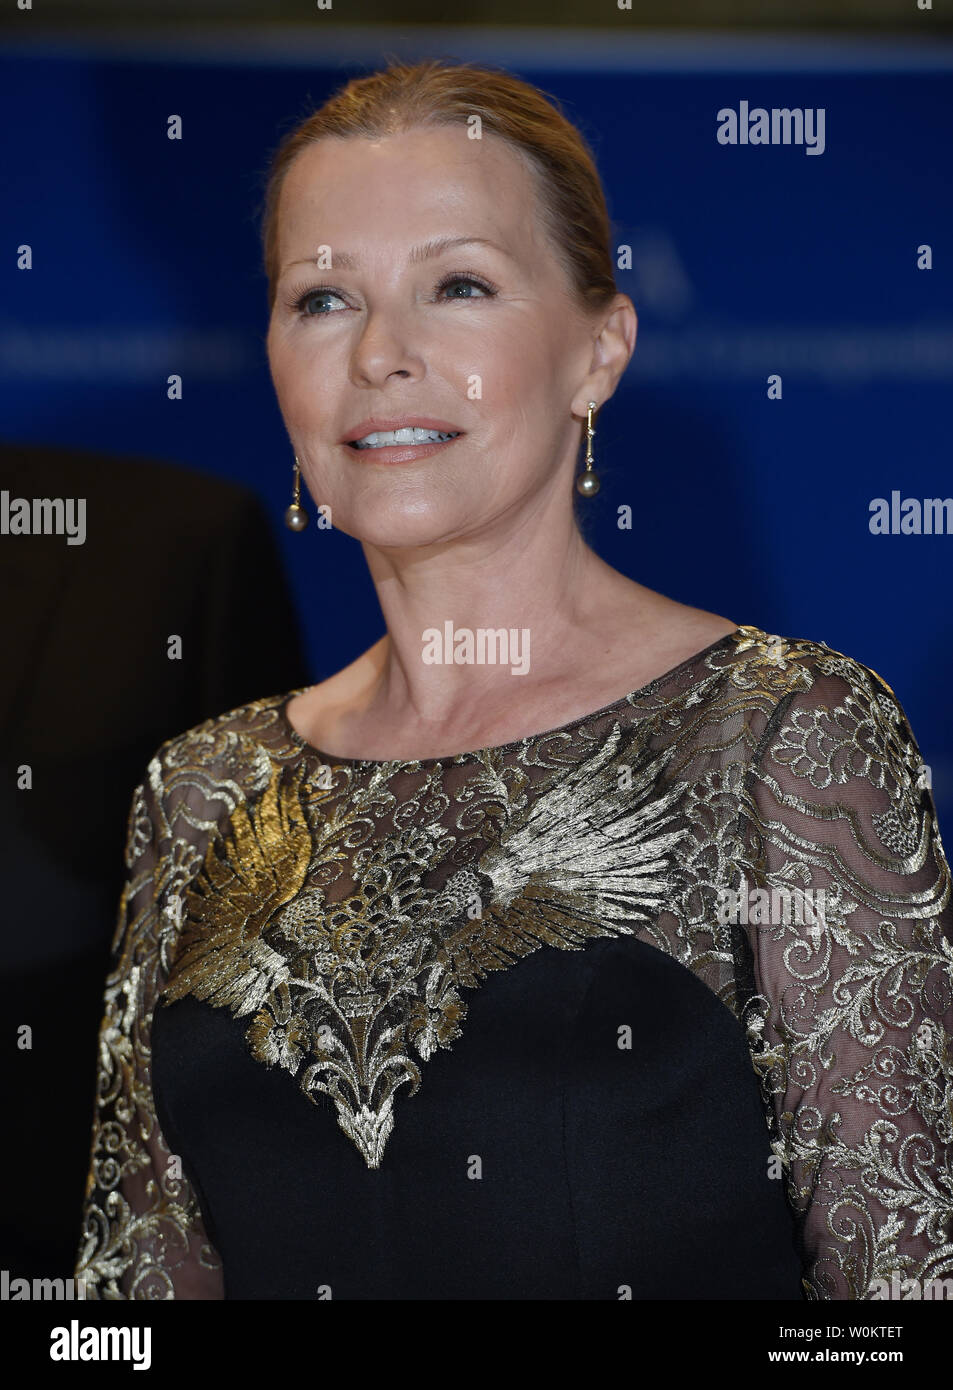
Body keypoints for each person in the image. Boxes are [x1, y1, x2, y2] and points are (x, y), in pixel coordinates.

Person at [75, 58, 953, 1301]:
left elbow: (901, 1289)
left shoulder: (777, 736)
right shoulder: (202, 788)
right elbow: (131, 1300)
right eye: (322, 297)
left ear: (599, 350)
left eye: (459, 285)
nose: (381, 354)